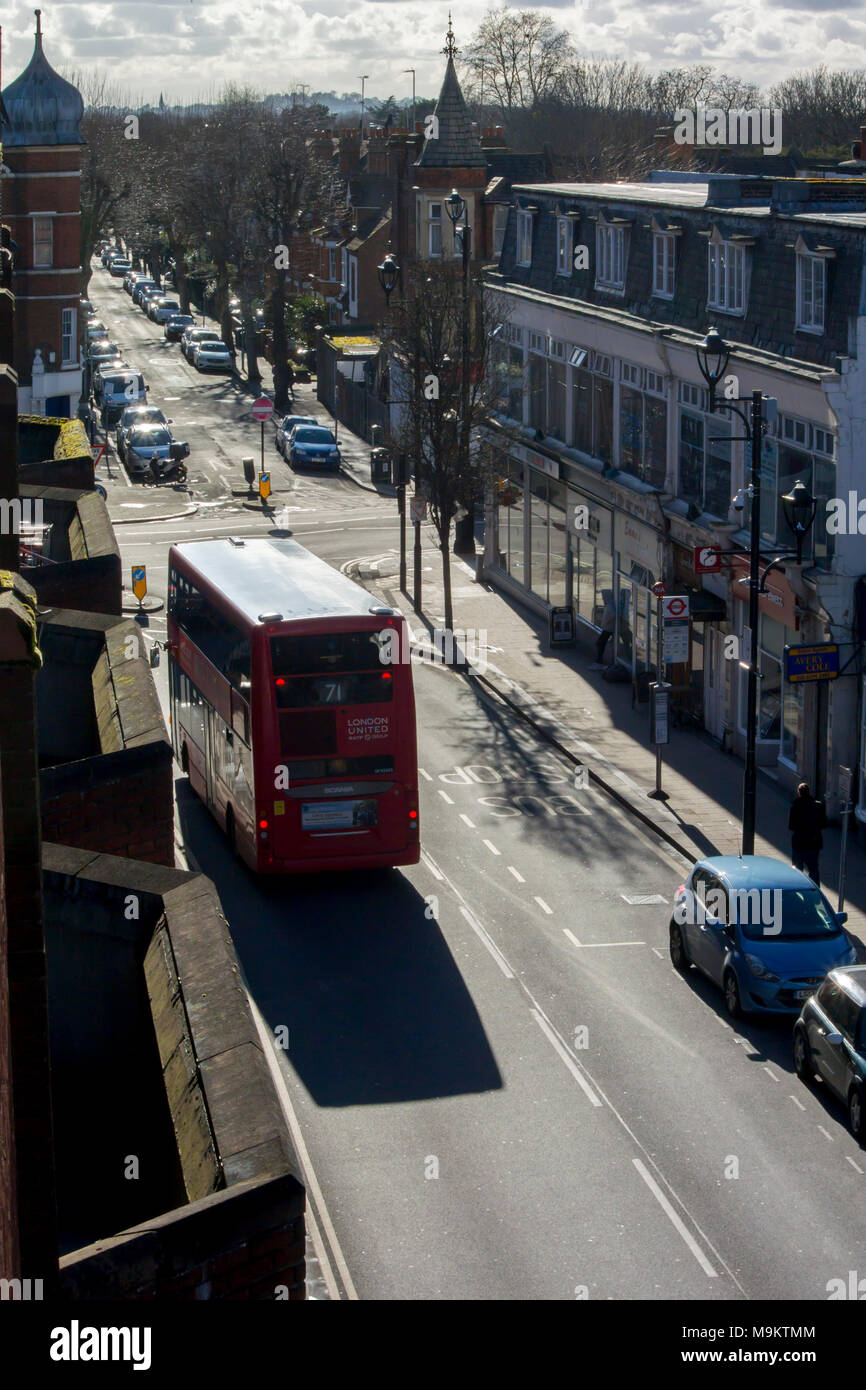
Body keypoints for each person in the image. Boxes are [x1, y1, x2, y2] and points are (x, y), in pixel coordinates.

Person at [789, 782, 826, 886]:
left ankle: (798, 889)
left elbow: (791, 826)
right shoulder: (818, 806)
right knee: (813, 869)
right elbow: (823, 824)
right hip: (814, 843)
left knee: (797, 869)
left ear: (799, 793)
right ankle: (815, 890)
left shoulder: (795, 806)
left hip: (799, 843)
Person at [591, 590, 616, 669]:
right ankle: (600, 661)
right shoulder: (609, 605)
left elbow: (613, 615)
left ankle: (599, 661)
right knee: (601, 643)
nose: (603, 599)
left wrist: (607, 622)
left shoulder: (610, 605)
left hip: (608, 629)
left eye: (603, 597)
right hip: (607, 628)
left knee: (600, 643)